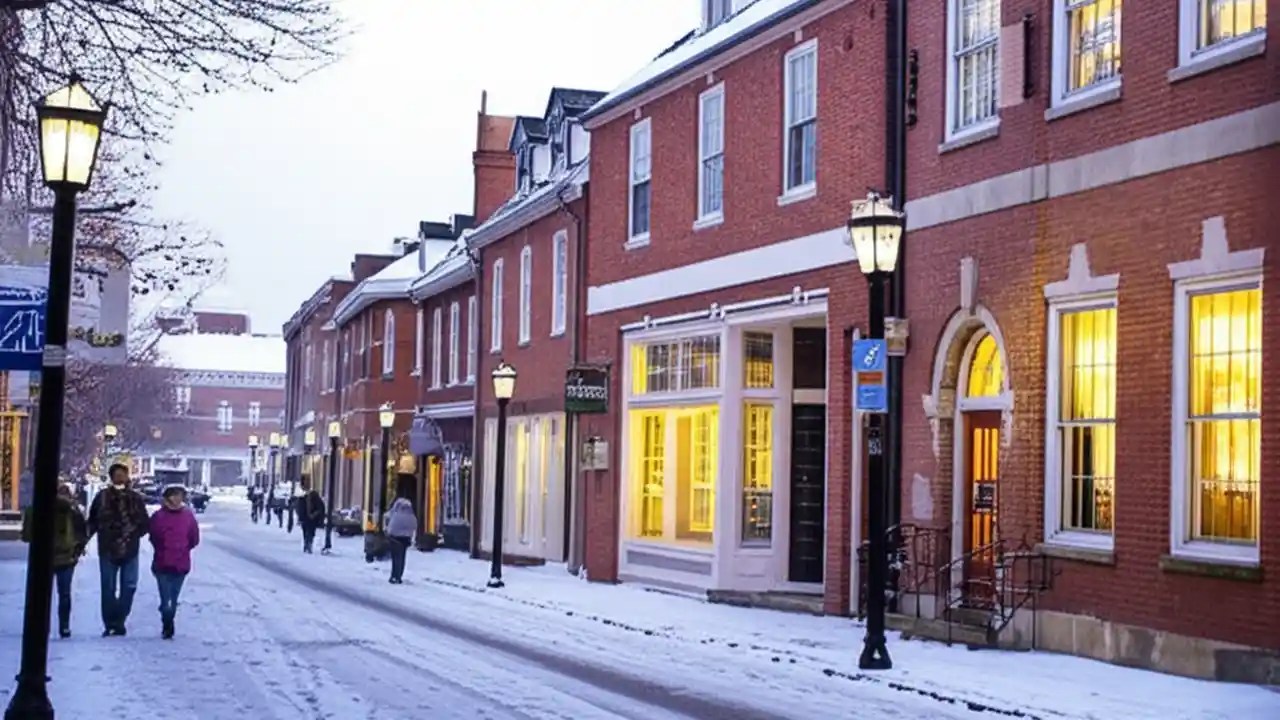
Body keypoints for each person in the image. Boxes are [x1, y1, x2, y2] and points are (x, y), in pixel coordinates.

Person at [87, 463, 150, 637]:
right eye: (117, 474)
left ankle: (120, 619)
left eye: (123, 473)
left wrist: (133, 533)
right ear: (111, 476)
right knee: (108, 588)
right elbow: (92, 521)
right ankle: (110, 623)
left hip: (130, 549)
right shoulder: (102, 497)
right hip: (107, 549)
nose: (120, 477)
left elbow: (145, 523)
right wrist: (83, 541)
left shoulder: (135, 498)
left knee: (129, 586)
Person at [21, 483, 87, 638]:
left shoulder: (33, 509)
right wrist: (77, 550)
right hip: (67, 557)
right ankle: (64, 626)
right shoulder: (72, 511)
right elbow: (82, 532)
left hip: (42, 558)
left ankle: (38, 626)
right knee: (64, 593)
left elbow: (26, 536)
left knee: (40, 594)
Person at [148, 485, 200, 639]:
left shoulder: (188, 516)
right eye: (173, 496)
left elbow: (194, 538)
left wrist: (183, 549)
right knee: (165, 598)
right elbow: (154, 537)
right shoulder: (158, 516)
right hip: (162, 563)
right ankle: (167, 620)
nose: (176, 499)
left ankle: (169, 620)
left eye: (179, 496)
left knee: (174, 597)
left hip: (181, 563)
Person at [383, 482, 417, 584]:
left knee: (395, 557)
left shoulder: (397, 505)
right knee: (402, 557)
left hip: (395, 535)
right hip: (406, 537)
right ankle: (399, 576)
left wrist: (387, 528)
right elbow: (414, 523)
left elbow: (388, 515)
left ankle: (394, 576)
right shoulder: (410, 508)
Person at [295, 476, 326, 554]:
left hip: (312, 517)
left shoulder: (314, 494)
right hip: (305, 516)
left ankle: (309, 544)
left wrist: (316, 513)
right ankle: (307, 544)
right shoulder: (301, 494)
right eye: (306, 481)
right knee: (305, 531)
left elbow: (320, 505)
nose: (307, 483)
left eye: (308, 481)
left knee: (311, 531)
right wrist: (300, 515)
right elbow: (298, 505)